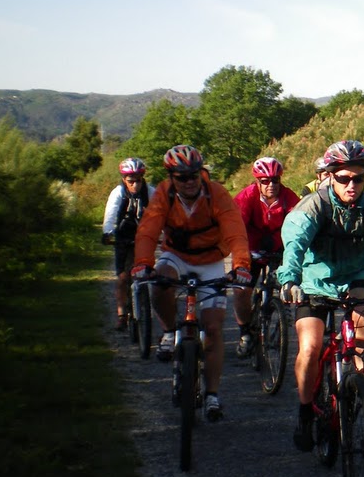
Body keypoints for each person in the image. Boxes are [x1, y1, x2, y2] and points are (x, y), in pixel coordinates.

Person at [278, 140, 364, 451]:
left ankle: (361, 380)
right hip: (312, 285)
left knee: (362, 322)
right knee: (310, 347)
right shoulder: (313, 207)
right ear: (330, 177)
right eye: (343, 178)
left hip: (353, 280)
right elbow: (294, 244)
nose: (351, 185)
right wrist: (289, 281)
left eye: (358, 178)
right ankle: (305, 411)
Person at [131, 145, 251, 421]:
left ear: (201, 173)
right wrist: (143, 262)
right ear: (171, 177)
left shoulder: (216, 193)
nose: (189, 182)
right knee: (159, 281)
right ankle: (169, 331)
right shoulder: (164, 193)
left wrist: (241, 265)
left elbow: (235, 231)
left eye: (193, 175)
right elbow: (148, 230)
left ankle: (212, 395)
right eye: (181, 177)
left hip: (210, 261)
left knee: (213, 328)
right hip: (177, 256)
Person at [231, 156, 301, 357]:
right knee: (241, 290)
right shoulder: (246, 197)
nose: (271, 185)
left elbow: (300, 224)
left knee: (289, 281)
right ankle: (245, 333)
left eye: (275, 180)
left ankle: (281, 314)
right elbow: (236, 229)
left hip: (279, 248)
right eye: (265, 181)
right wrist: (241, 258)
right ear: (257, 181)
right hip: (250, 248)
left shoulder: (289, 197)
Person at [101, 157, 156, 330]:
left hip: (144, 236)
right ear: (124, 179)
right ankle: (122, 314)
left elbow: (161, 212)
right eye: (131, 181)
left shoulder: (150, 191)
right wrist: (107, 232)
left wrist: (166, 232)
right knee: (123, 277)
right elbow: (111, 213)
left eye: (138, 180)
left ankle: (147, 307)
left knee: (150, 275)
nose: (135, 185)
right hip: (123, 236)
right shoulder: (118, 192)